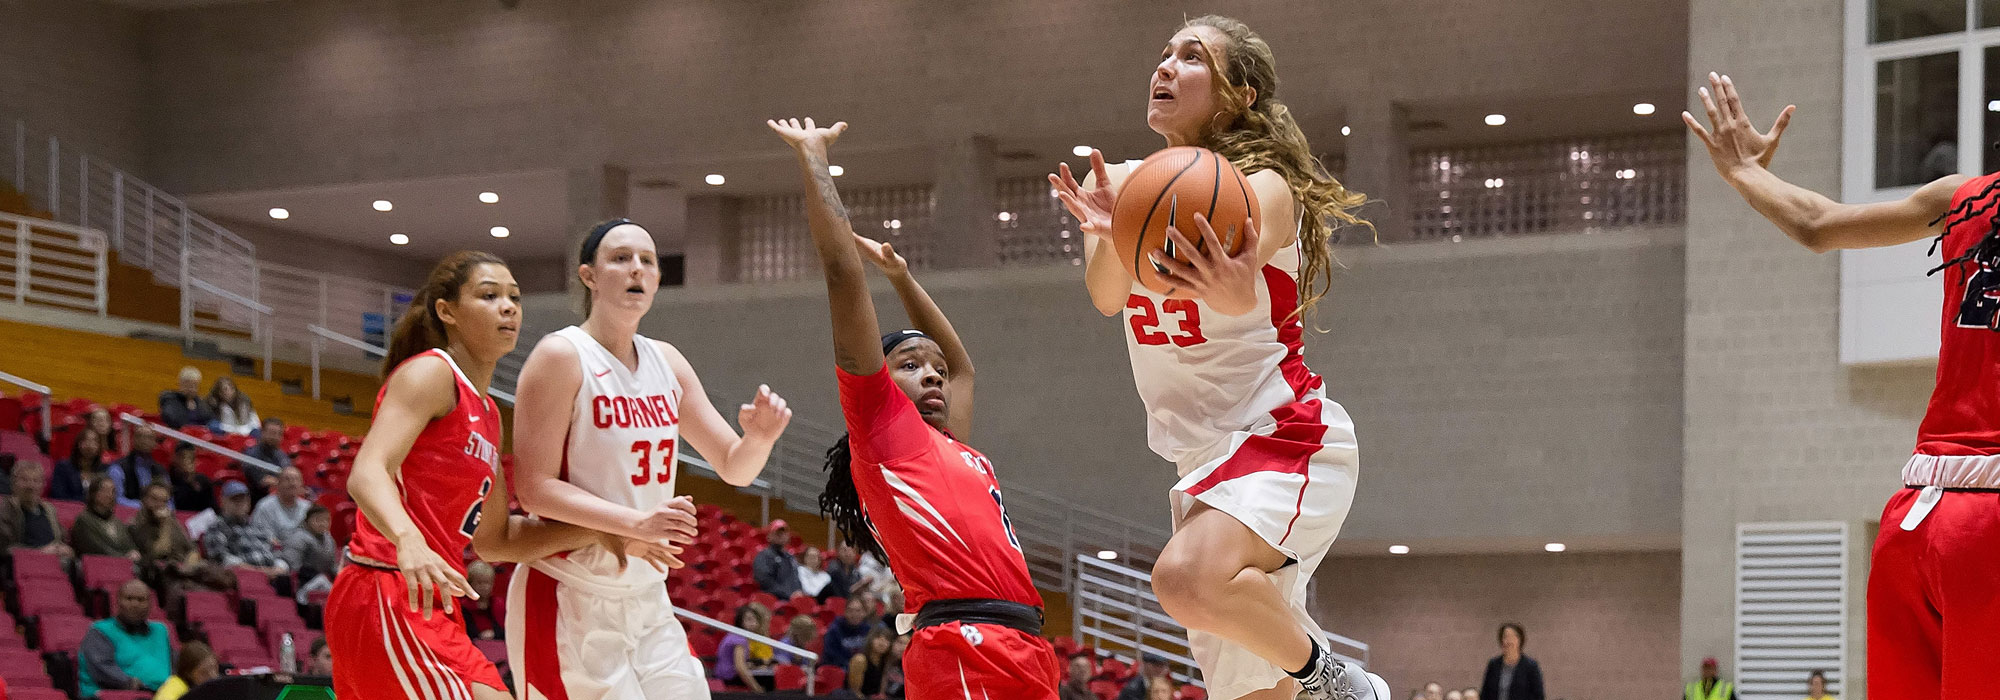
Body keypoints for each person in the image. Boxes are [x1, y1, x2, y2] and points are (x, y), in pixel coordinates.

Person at [1049, 15, 1383, 700]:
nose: (1165, 67)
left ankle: (1340, 684)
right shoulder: (1121, 181)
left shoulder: (1265, 186)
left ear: (1240, 94)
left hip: (1285, 435)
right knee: (1252, 692)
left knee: (1182, 580)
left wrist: (1231, 287)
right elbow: (1108, 295)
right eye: (1163, 53)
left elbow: (1237, 283)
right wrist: (1114, 229)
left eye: (1191, 57)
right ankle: (1319, 683)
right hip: (1202, 463)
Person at [1688, 70, 2000, 700]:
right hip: (1988, 538)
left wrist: (1747, 173)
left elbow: (1818, 224)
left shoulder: (1962, 197)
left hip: (1913, 525)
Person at [771, 117, 1060, 699]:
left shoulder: (956, 446)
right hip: (961, 645)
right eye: (908, 365)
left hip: (1026, 646)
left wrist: (902, 277)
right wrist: (813, 157)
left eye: (932, 367)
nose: (931, 373)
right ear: (880, 384)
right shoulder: (883, 435)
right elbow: (841, 275)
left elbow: (963, 368)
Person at [326, 251, 663, 700]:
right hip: (385, 586)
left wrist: (600, 530)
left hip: (434, 600)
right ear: (447, 312)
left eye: (515, 298)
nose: (508, 307)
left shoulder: (487, 413)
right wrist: (409, 540)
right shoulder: (432, 372)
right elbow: (368, 471)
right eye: (489, 296)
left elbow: (497, 540)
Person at [507, 219, 789, 700]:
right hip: (568, 590)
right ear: (589, 276)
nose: (636, 268)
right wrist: (636, 524)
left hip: (646, 595)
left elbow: (733, 465)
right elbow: (534, 488)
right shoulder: (560, 355)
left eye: (648, 261)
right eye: (620, 258)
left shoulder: (667, 361)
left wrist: (759, 438)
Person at [80, 579, 174, 696]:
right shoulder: (100, 630)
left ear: (150, 605)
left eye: (141, 600)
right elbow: (103, 670)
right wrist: (138, 687)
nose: (135, 604)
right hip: (119, 695)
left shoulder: (161, 631)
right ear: (118, 602)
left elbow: (173, 667)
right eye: (129, 599)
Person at [0, 462, 71, 557]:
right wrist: (40, 553)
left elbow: (61, 540)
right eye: (24, 480)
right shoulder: (5, 509)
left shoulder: (49, 509)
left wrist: (65, 549)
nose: (30, 486)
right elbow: (5, 549)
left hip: (56, 563)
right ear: (13, 483)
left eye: (36, 481)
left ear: (43, 486)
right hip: (22, 566)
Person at [70, 476, 138, 559]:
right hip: (98, 567)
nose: (110, 496)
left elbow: (129, 545)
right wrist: (123, 558)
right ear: (94, 494)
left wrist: (133, 552)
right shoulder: (84, 520)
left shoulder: (117, 522)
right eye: (105, 491)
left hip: (124, 565)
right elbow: (96, 549)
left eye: (113, 491)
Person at [717, 603, 776, 692]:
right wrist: (757, 688)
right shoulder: (739, 639)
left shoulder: (735, 635)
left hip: (728, 676)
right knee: (768, 680)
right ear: (740, 621)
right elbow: (740, 667)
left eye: (755, 620)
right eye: (749, 620)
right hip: (729, 678)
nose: (753, 623)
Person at [1478, 624, 1544, 700]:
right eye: (1505, 637)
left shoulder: (1531, 666)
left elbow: (1538, 695)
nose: (1509, 640)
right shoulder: (1493, 664)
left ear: (1520, 640)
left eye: (1513, 637)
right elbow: (1485, 693)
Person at [110, 428, 169, 510]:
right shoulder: (118, 467)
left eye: (149, 438)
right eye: (141, 436)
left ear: (155, 443)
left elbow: (169, 502)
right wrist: (145, 506)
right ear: (134, 439)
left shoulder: (160, 471)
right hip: (127, 515)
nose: (145, 441)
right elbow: (116, 499)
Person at [819, 594, 877, 671]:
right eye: (850, 611)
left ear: (864, 613)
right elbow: (832, 656)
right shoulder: (834, 630)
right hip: (838, 669)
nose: (854, 614)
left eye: (858, 611)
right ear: (845, 612)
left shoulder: (868, 630)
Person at [282, 505, 338, 584]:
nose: (323, 523)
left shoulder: (329, 539)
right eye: (318, 520)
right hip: (299, 582)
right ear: (307, 521)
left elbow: (332, 566)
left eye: (327, 520)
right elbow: (293, 567)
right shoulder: (298, 537)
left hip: (319, 580)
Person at [250, 468, 310, 541]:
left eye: (296, 479)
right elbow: (260, 536)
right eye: (287, 479)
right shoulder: (265, 506)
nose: (292, 483)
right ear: (278, 484)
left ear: (301, 484)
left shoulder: (308, 507)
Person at [51, 427, 109, 501]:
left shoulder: (104, 469)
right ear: (78, 443)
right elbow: (59, 496)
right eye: (86, 440)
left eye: (94, 441)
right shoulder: (63, 467)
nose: (90, 445)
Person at [753, 520, 805, 598]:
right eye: (777, 533)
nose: (781, 535)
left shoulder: (790, 557)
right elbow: (765, 582)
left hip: (791, 600)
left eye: (783, 533)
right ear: (769, 536)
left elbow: (796, 579)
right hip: (773, 600)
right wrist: (788, 594)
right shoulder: (764, 556)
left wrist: (798, 592)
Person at [152, 641, 218, 700]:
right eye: (204, 673)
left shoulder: (210, 688)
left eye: (214, 668)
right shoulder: (172, 689)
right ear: (188, 673)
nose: (213, 676)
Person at [239, 418, 290, 491]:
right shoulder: (252, 454)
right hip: (260, 497)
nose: (276, 437)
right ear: (262, 432)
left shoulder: (281, 454)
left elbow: (289, 474)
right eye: (272, 433)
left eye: (279, 434)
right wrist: (286, 483)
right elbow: (264, 481)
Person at [844, 627, 894, 698]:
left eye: (887, 639)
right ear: (870, 639)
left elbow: (881, 692)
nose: (882, 642)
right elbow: (855, 692)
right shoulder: (860, 659)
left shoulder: (885, 662)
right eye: (878, 637)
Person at [461, 561, 503, 641]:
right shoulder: (463, 607)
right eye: (480, 583)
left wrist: (495, 634)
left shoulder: (499, 604)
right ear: (470, 584)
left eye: (487, 583)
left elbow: (507, 630)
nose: (484, 587)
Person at [166, 444, 211, 514]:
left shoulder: (203, 481)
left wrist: (191, 480)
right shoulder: (167, 478)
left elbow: (210, 508)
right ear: (175, 458)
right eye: (183, 457)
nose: (187, 462)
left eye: (191, 458)